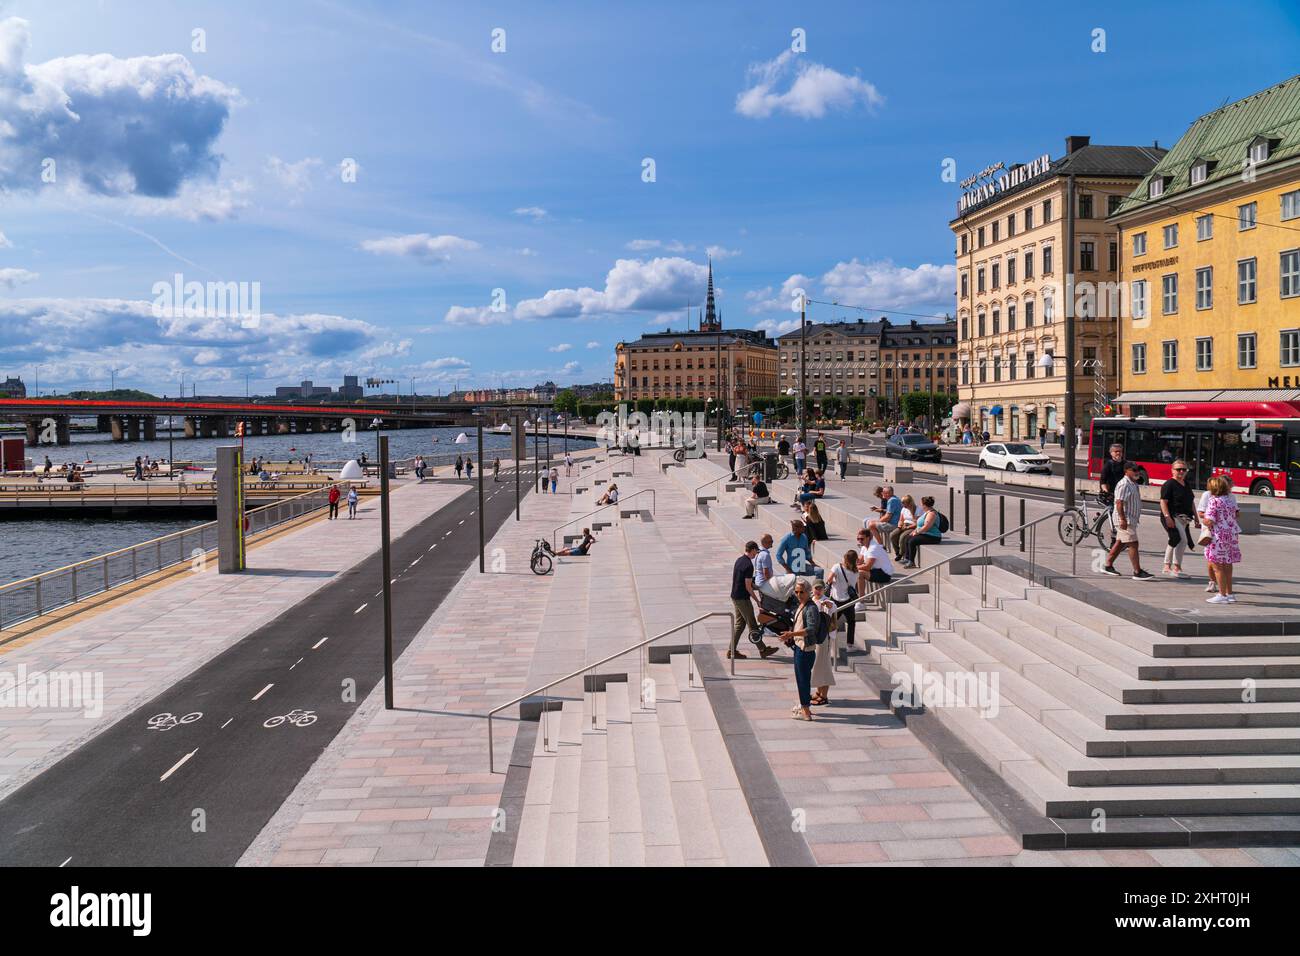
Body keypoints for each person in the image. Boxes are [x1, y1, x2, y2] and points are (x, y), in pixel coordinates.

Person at [1100, 461, 1153, 579]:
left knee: (1120, 543)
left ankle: (1107, 565)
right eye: (1134, 470)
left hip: (1131, 519)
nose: (1137, 472)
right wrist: (1123, 519)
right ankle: (1137, 572)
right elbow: (1119, 503)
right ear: (1126, 471)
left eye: (1138, 470)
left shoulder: (1133, 483)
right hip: (1125, 519)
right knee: (1133, 543)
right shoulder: (1124, 484)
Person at [729, 541, 779, 660]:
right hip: (742, 598)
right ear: (752, 550)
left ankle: (731, 651)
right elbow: (748, 586)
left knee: (740, 624)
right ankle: (763, 650)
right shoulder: (748, 565)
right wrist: (757, 601)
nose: (756, 554)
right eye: (755, 552)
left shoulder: (739, 560)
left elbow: (744, 582)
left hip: (735, 596)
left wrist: (757, 587)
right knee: (752, 623)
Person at [778, 579, 820, 721]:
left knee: (803, 680)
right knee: (802, 679)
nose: (799, 594)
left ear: (808, 592)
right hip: (799, 648)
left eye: (802, 592)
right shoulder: (801, 605)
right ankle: (804, 706)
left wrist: (791, 634)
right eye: (796, 592)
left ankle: (805, 710)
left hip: (805, 650)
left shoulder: (811, 608)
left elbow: (811, 629)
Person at [1201, 475, 1240, 605]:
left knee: (1217, 566)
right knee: (1228, 564)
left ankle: (1222, 595)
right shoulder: (1229, 500)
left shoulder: (1214, 501)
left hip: (1218, 537)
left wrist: (1204, 520)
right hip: (1231, 535)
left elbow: (1210, 520)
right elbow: (1235, 515)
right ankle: (1230, 594)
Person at [1159, 459, 1196, 577]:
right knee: (1181, 539)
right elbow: (1163, 502)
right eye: (1178, 469)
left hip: (1184, 518)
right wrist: (1167, 517)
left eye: (1184, 469)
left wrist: (1196, 518)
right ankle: (1175, 566)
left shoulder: (1186, 484)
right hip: (1172, 516)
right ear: (1172, 470)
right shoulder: (1169, 484)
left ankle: (1168, 566)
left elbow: (1191, 501)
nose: (1181, 471)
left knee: (1175, 539)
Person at [809, 581, 837, 705]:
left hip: (824, 638)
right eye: (816, 588)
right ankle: (818, 692)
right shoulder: (811, 599)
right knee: (816, 666)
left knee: (824, 666)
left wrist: (827, 605)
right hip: (814, 638)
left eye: (820, 588)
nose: (818, 591)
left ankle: (824, 695)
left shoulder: (826, 601)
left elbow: (832, 607)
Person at [827, 550, 859, 647]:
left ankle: (828, 642)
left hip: (836, 600)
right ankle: (850, 644)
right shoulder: (856, 572)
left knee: (831, 622)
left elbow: (829, 580)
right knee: (851, 622)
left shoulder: (837, 567)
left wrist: (834, 581)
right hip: (848, 601)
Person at [857, 525, 895, 604]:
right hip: (875, 570)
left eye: (862, 539)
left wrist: (853, 568)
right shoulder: (864, 547)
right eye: (858, 539)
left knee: (860, 573)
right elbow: (859, 561)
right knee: (852, 571)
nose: (859, 541)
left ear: (868, 538)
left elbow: (867, 567)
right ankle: (854, 596)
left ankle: (861, 602)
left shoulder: (873, 548)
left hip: (884, 574)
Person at [900, 496, 941, 568]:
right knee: (907, 537)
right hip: (925, 533)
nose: (921, 505)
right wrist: (915, 531)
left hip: (933, 536)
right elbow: (920, 525)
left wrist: (917, 532)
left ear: (924, 505)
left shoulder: (931, 514)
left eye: (921, 504)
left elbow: (926, 527)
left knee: (912, 541)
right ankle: (907, 558)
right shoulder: (927, 512)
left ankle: (911, 562)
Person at [890, 494, 916, 560]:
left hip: (912, 526)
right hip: (904, 524)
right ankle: (897, 552)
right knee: (893, 535)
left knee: (903, 537)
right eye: (902, 503)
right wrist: (899, 525)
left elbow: (916, 523)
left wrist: (911, 511)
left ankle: (901, 554)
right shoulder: (904, 509)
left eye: (904, 503)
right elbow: (901, 519)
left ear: (910, 503)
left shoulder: (917, 509)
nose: (903, 505)